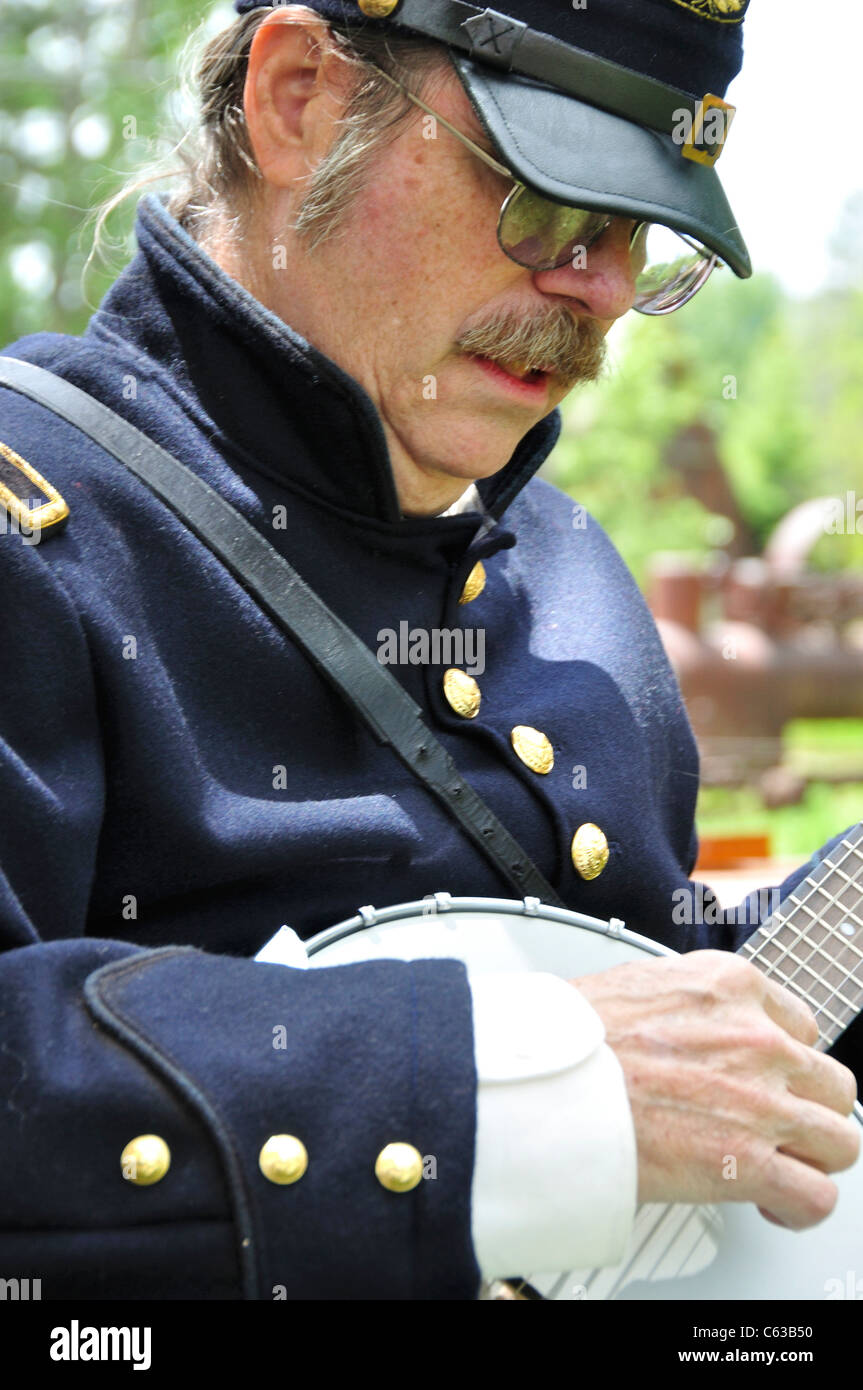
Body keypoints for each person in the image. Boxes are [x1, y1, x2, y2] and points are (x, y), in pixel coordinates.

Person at [0, 0, 858, 1300]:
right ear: (298, 98)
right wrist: (521, 1083)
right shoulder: (37, 526)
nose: (606, 288)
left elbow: (659, 992)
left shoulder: (568, 565)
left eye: (638, 233)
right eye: (550, 200)